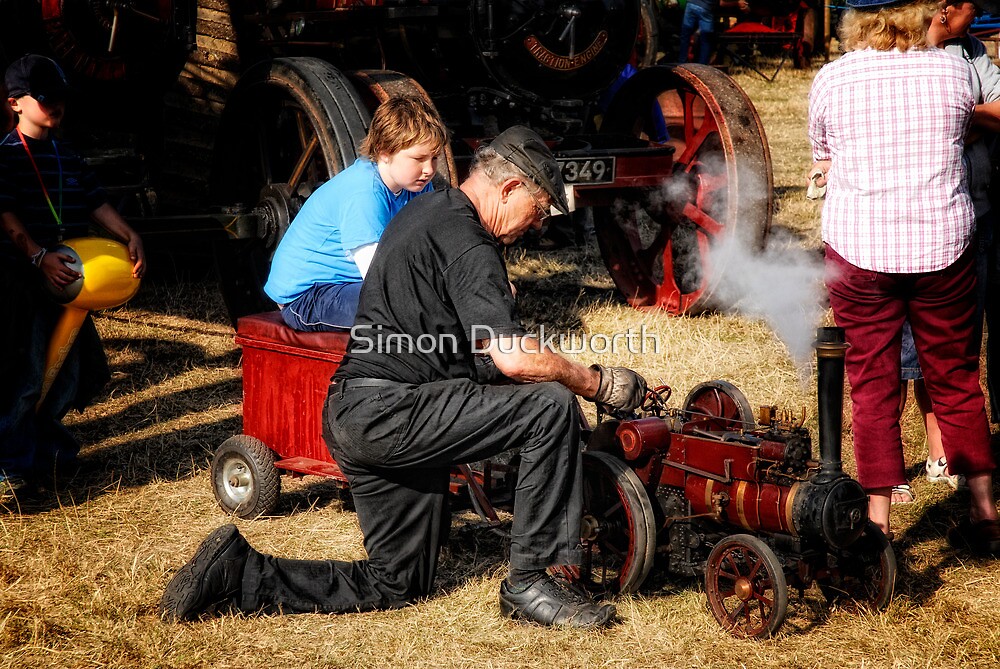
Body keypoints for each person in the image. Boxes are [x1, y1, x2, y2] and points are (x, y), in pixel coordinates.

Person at [160, 126, 650, 629]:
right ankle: (532, 583)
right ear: (509, 189)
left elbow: (450, 348)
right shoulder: (468, 241)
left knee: (398, 583)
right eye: (539, 208)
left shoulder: (428, 213)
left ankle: (238, 573)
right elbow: (513, 359)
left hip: (358, 413)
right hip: (394, 411)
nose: (538, 224)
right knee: (550, 405)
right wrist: (594, 382)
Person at [808, 0, 1000, 551]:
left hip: (860, 250)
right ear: (917, 14)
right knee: (958, 377)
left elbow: (824, 153)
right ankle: (985, 511)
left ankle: (879, 522)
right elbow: (963, 134)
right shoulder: (954, 70)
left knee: (873, 386)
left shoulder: (833, 77)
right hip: (942, 245)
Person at [0, 54, 145, 496]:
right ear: (15, 103)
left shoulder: (68, 153)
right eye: (46, 99)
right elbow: (4, 214)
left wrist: (129, 234)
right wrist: (38, 255)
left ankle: (49, 456)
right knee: (26, 377)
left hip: (71, 285)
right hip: (26, 287)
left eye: (60, 98)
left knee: (66, 375)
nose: (56, 107)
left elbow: (95, 201)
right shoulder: (5, 157)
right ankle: (9, 466)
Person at [892, 0, 1000, 505]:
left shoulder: (973, 52)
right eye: (968, 10)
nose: (974, 20)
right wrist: (969, 119)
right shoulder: (902, 52)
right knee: (909, 353)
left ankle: (956, 454)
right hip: (915, 223)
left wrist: (964, 115)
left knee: (959, 347)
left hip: (973, 212)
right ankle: (930, 456)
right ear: (942, 9)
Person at [263, 96, 448, 331]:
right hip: (307, 296)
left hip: (351, 284)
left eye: (434, 158)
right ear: (384, 152)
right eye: (419, 159)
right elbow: (378, 276)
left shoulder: (415, 184)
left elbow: (432, 244)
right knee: (404, 307)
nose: (430, 169)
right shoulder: (364, 193)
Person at [677, 0, 749, 65]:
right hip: (705, 8)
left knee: (685, 36)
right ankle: (703, 66)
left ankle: (681, 63)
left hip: (691, 4)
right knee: (706, 40)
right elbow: (722, 3)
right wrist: (737, 3)